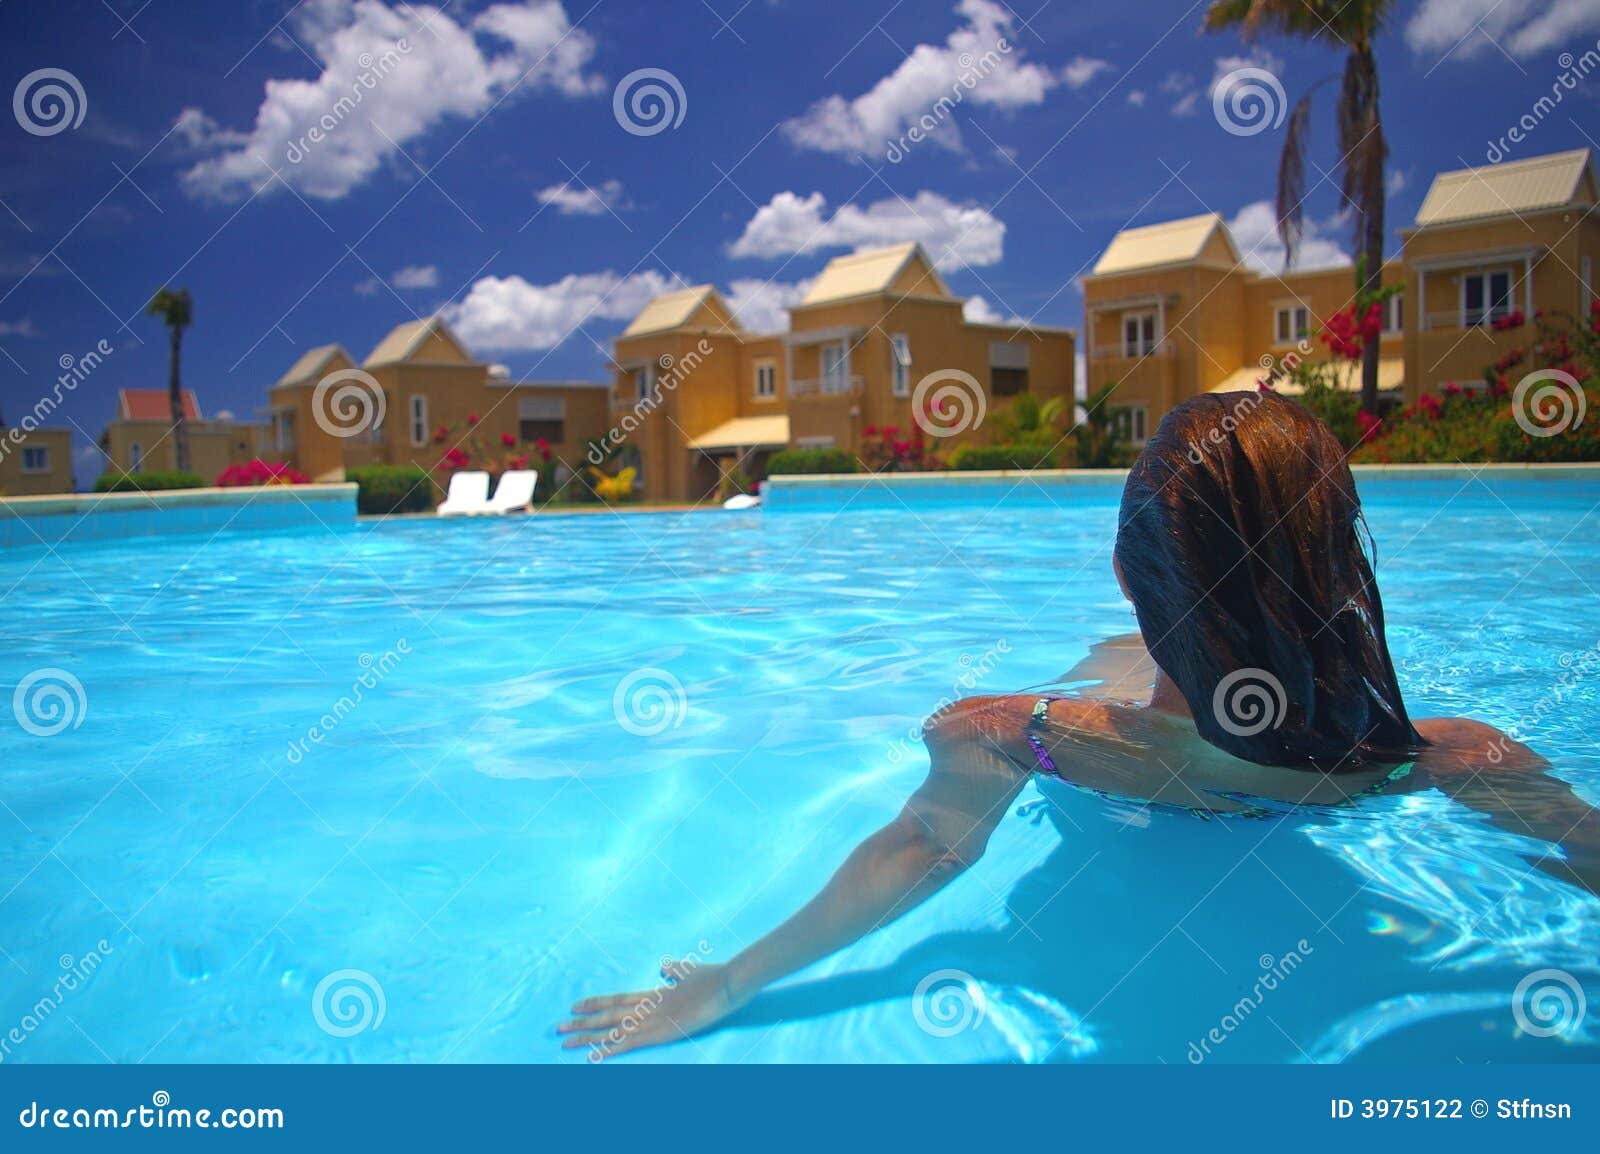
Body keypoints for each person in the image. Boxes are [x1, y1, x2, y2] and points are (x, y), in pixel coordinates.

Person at [559, 391, 1598, 1058]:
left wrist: (728, 982)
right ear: (1340, 578)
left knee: (1119, 661)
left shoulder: (1016, 732)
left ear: (1122, 572)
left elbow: (922, 847)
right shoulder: (1443, 757)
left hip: (1129, 726)